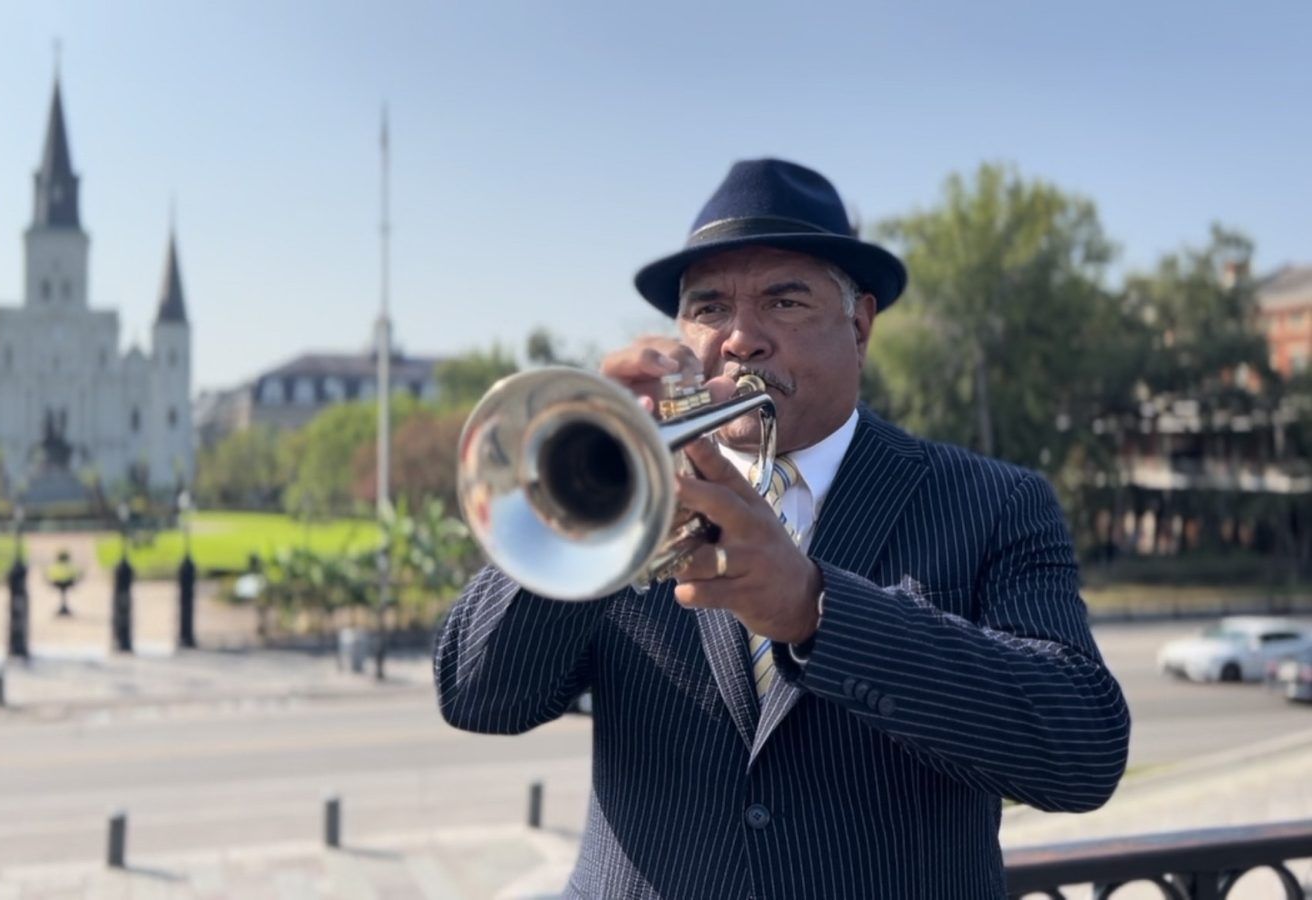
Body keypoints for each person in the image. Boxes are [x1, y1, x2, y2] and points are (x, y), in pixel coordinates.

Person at [435, 159, 1130, 899]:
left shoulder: (994, 500)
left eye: (784, 301)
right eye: (708, 308)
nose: (740, 339)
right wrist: (580, 489)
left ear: (859, 325)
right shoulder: (630, 490)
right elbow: (479, 694)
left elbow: (1080, 750)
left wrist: (817, 611)